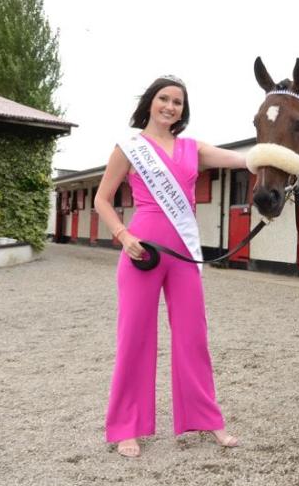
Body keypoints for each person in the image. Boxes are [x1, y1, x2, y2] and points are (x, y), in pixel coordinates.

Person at [94, 75, 248, 458]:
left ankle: (207, 420)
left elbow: (243, 159)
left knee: (193, 337)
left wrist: (280, 153)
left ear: (183, 109)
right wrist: (123, 236)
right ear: (150, 102)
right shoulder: (129, 148)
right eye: (164, 98)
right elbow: (101, 199)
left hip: (183, 254)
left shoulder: (193, 148)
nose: (170, 106)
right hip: (141, 252)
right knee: (135, 337)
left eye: (177, 102)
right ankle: (126, 427)